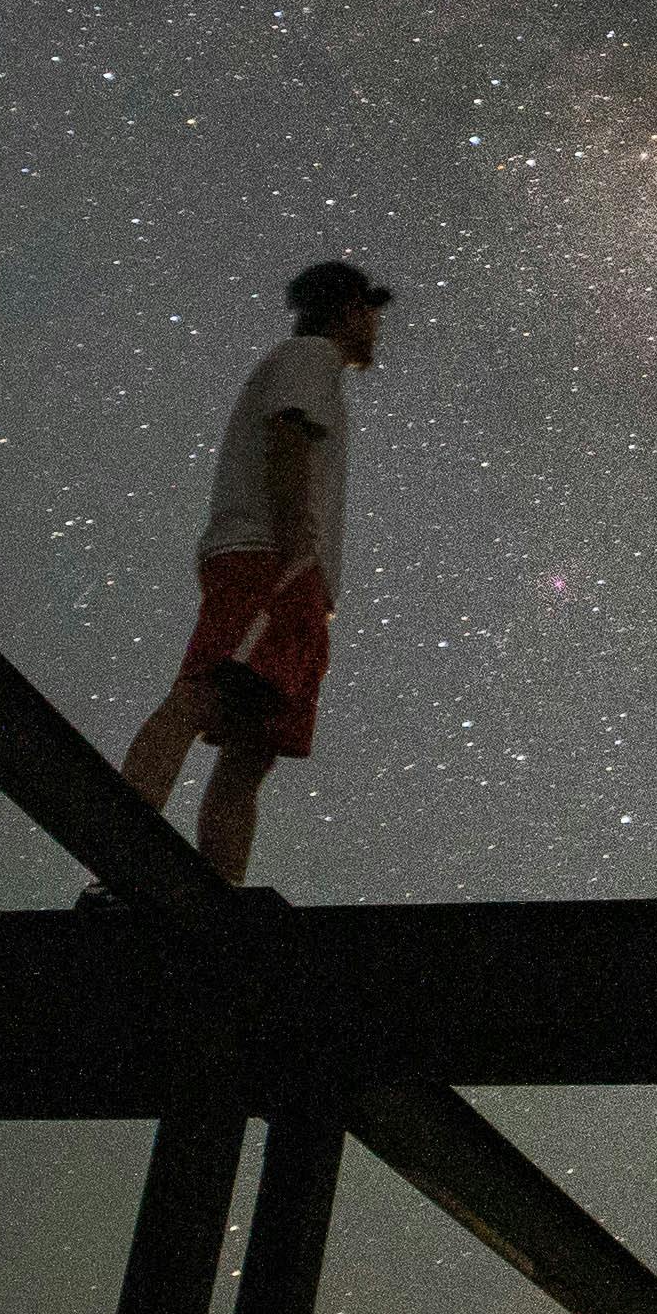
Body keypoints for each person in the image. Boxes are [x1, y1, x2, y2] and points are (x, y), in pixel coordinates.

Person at [118, 257, 390, 886]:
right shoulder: (308, 360)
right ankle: (125, 855)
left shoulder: (311, 368)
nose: (377, 328)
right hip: (271, 558)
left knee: (253, 744)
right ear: (350, 311)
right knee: (201, 695)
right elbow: (288, 439)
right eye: (371, 312)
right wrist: (296, 554)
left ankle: (217, 890)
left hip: (290, 569)